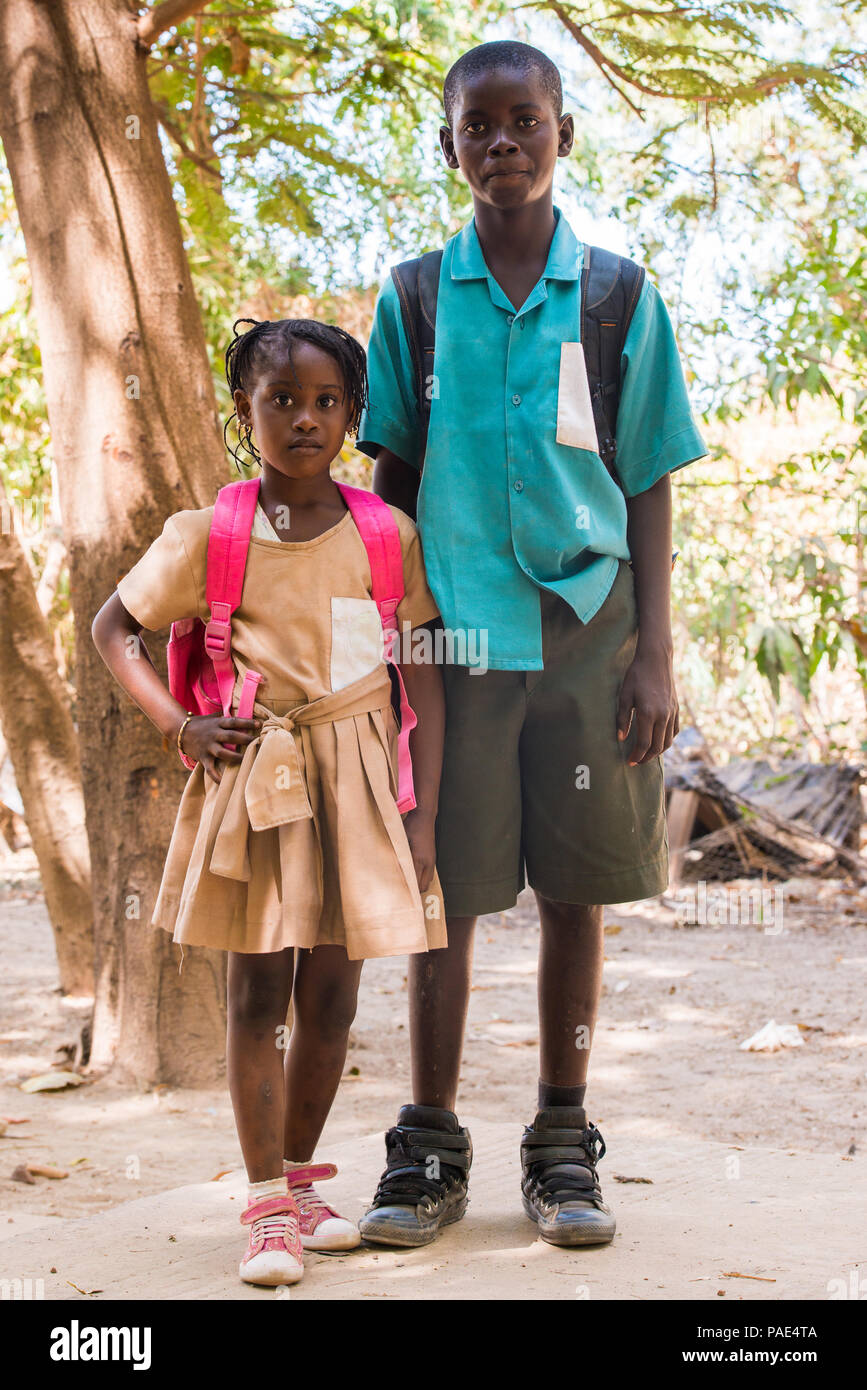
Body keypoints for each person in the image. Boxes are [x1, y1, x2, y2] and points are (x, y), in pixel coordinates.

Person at [354, 39, 708, 1249]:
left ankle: (562, 1143)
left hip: (586, 635)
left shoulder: (616, 298)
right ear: (447, 144)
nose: (502, 142)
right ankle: (426, 1146)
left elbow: (650, 479)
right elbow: (389, 484)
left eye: (525, 120)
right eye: (477, 126)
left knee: (577, 889)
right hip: (450, 648)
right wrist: (374, 647)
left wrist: (655, 651)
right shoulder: (411, 298)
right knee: (443, 894)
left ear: (564, 134)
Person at [91, 317, 446, 1285]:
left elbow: (420, 669)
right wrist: (179, 724)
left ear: (353, 416)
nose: (305, 419)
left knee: (332, 996)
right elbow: (114, 625)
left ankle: (299, 1181)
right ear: (243, 411)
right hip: (259, 786)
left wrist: (421, 818)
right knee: (258, 994)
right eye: (281, 399)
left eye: (328, 402)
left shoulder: (385, 531)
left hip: (361, 785)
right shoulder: (211, 532)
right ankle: (263, 1208)